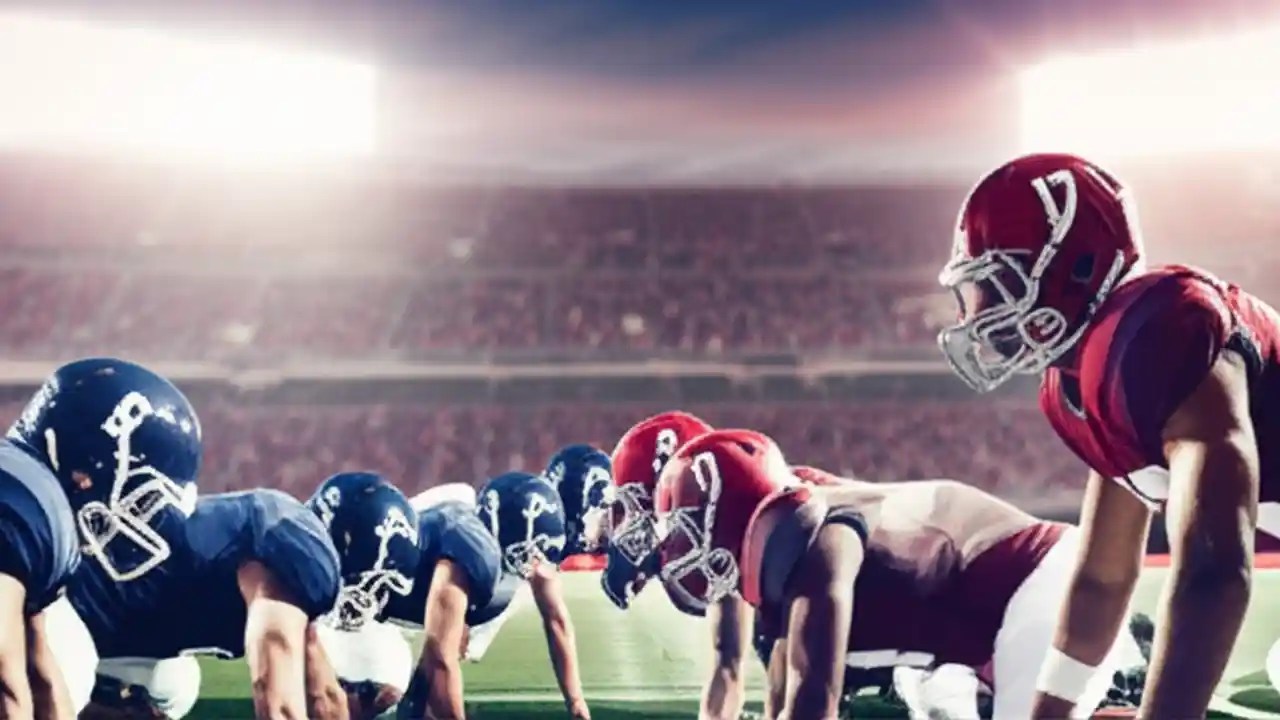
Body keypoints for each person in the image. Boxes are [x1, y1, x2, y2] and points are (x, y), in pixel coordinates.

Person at [936, 152, 1280, 718]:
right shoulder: (1081, 380)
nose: (981, 313)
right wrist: (1049, 712)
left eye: (1001, 284)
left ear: (1075, 266)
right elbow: (1102, 576)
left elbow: (1215, 570)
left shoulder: (1161, 332)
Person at [651, 428, 1145, 720]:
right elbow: (788, 687)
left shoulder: (822, 541)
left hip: (1035, 584)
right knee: (931, 703)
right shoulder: (790, 532)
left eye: (688, 526)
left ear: (735, 510)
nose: (677, 548)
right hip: (975, 634)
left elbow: (813, 697)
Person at [3, 357, 203, 717]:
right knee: (70, 657)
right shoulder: (31, 500)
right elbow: (5, 670)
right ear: (86, 472)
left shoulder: (32, 496)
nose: (133, 516)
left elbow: (40, 671)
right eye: (137, 495)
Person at [313, 471, 575, 720]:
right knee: (377, 679)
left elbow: (556, 619)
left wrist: (576, 704)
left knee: (411, 681)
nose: (535, 563)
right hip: (363, 605)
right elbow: (442, 656)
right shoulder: (470, 555)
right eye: (529, 551)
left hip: (386, 599)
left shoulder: (477, 553)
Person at [70, 488, 347, 720]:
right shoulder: (286, 552)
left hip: (128, 631)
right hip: (74, 608)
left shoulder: (300, 568)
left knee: (177, 685)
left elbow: (325, 695)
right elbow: (279, 701)